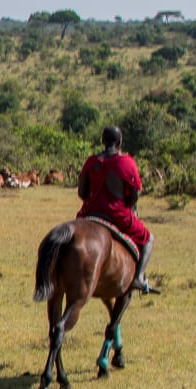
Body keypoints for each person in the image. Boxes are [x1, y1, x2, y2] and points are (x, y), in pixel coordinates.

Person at [77, 125, 155, 293]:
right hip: (117, 215)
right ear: (120, 142)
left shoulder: (91, 162)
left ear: (102, 141)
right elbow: (135, 195)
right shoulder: (126, 163)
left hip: (89, 213)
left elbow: (82, 193)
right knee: (148, 239)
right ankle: (139, 278)